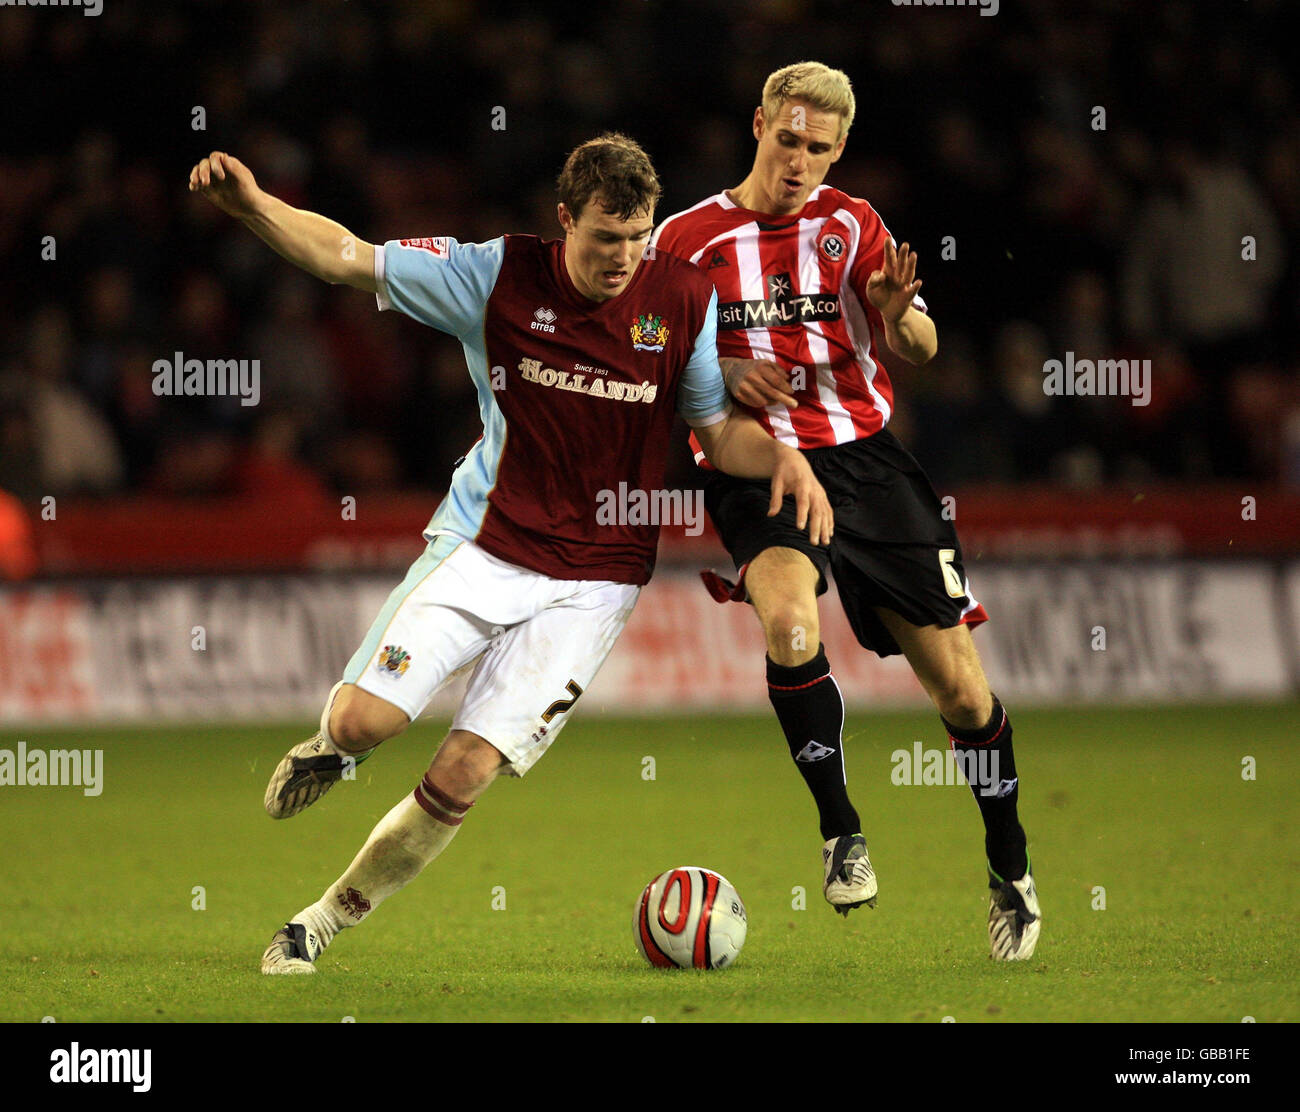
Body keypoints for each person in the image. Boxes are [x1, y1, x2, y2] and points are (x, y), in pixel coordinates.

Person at [188, 133, 833, 974]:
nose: (622, 258)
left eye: (638, 238)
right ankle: (333, 748)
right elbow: (349, 258)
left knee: (463, 774)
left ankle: (315, 925)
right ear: (565, 220)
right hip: (485, 544)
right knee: (361, 722)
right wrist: (253, 207)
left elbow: (714, 429)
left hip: (595, 580)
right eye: (605, 238)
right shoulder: (492, 275)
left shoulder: (683, 297)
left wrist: (781, 456)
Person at [650, 62, 1040, 959]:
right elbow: (650, 363)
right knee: (789, 624)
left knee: (964, 693)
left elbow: (926, 344)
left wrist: (899, 318)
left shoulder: (854, 225)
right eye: (787, 140)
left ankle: (1010, 864)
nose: (798, 162)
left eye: (817, 149)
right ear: (757, 124)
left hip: (869, 465)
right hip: (757, 468)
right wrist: (713, 377)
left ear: (839, 151)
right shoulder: (685, 241)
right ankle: (842, 830)